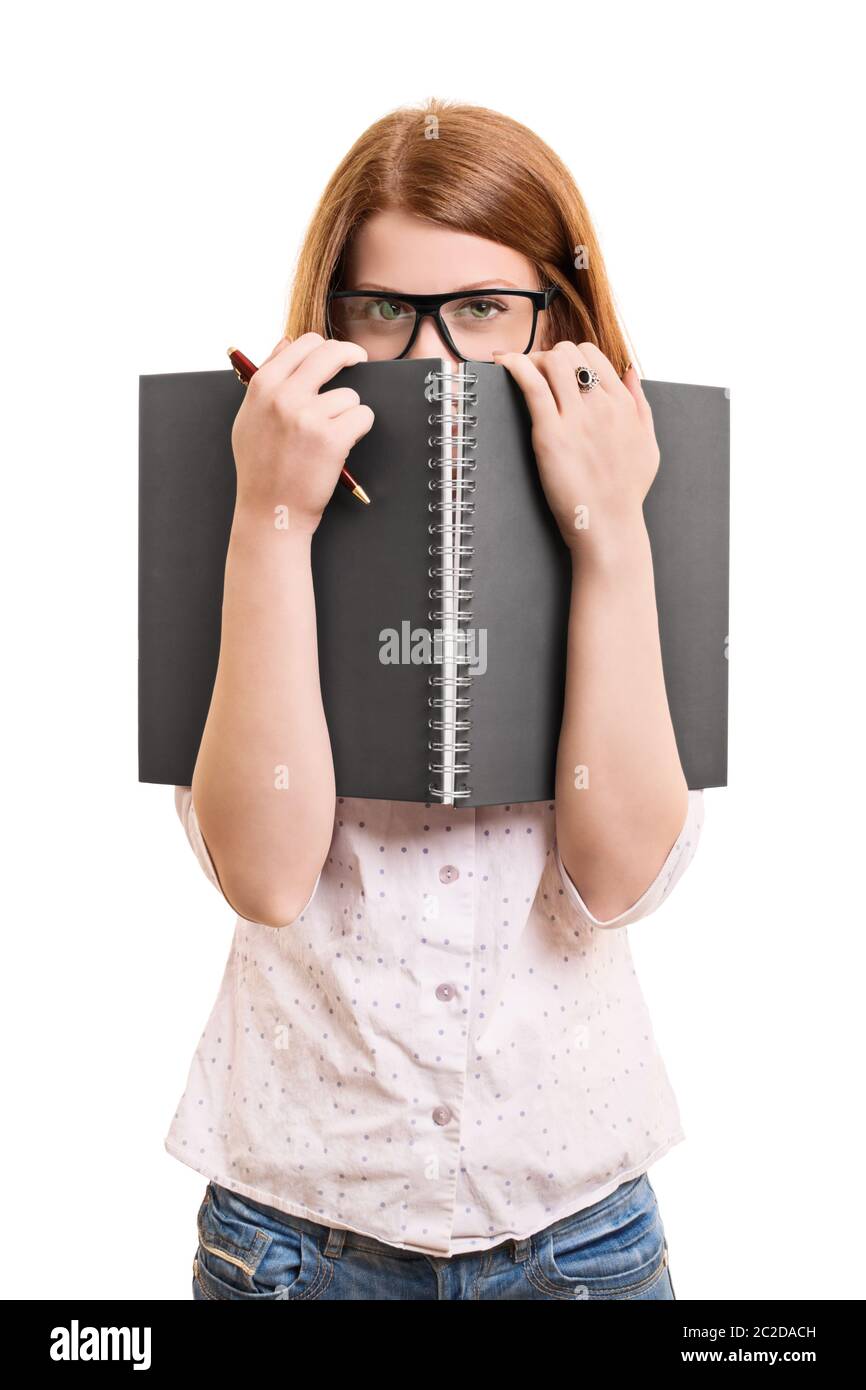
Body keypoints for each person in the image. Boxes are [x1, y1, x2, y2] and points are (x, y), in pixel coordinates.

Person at [168, 98, 704, 1301]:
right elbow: (263, 876)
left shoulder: (636, 484)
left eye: (480, 309)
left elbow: (618, 876)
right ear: (330, 318)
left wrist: (609, 536)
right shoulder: (244, 483)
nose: (430, 361)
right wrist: (271, 521)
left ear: (554, 317)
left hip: (577, 1233)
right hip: (294, 1237)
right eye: (383, 310)